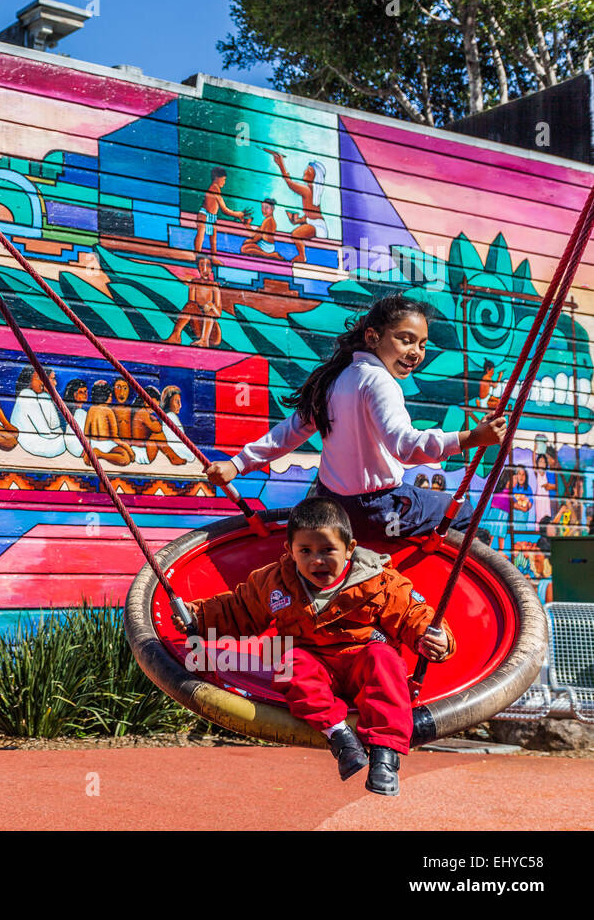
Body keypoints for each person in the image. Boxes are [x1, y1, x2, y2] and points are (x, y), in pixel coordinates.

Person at [178, 497, 454, 796]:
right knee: (288, 663)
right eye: (305, 551)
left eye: (327, 550)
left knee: (384, 659)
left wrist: (435, 638)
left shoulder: (380, 582)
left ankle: (385, 757)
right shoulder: (274, 582)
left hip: (361, 659)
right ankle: (340, 737)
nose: (316, 560)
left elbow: (415, 614)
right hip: (314, 662)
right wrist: (199, 617)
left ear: (349, 548)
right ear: (290, 551)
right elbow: (238, 610)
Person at [205, 296, 507, 542]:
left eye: (422, 344)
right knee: (466, 512)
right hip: (380, 511)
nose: (416, 352)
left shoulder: (336, 378)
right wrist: (472, 438)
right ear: (373, 337)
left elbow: (289, 432)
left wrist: (238, 463)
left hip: (334, 507)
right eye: (406, 340)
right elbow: (405, 447)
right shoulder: (380, 382)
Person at [264, 148, 326, 262]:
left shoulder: (307, 190)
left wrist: (281, 165)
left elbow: (290, 183)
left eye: (309, 171)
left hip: (317, 227)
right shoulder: (310, 190)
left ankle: (302, 256)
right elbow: (311, 215)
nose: (305, 172)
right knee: (297, 231)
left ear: (314, 176)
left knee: (296, 234)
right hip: (314, 223)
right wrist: (297, 221)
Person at [8, 366, 66, 459]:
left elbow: (55, 425)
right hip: (36, 444)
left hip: (51, 442)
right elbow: (45, 431)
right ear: (28, 380)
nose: (55, 383)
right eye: (38, 378)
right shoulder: (26, 395)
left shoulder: (43, 397)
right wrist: (56, 433)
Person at [193, 166, 252, 256]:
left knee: (213, 239)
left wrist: (238, 215)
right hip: (204, 215)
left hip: (212, 216)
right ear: (217, 178)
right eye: (223, 179)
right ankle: (196, 254)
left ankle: (213, 257)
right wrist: (238, 214)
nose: (224, 182)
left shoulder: (217, 189)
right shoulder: (214, 189)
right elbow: (224, 209)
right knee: (201, 235)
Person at [167, 255, 222, 348]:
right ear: (198, 268)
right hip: (197, 326)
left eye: (208, 265)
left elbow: (218, 313)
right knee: (191, 305)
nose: (205, 269)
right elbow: (190, 306)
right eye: (202, 265)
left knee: (210, 311)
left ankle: (204, 341)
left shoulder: (214, 286)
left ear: (211, 269)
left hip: (212, 333)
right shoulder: (194, 283)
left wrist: (212, 305)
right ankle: (176, 335)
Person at [131, 385, 187, 466]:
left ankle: (174, 457)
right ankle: (173, 458)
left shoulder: (144, 413)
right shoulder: (142, 413)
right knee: (157, 436)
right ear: (145, 401)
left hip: (141, 449)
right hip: (140, 453)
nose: (154, 409)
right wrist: (157, 421)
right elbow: (158, 428)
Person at [82, 380, 134, 466]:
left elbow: (86, 434)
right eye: (110, 396)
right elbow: (115, 438)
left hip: (94, 443)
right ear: (107, 397)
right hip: (107, 445)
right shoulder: (108, 411)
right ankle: (100, 454)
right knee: (125, 458)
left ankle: (95, 454)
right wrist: (129, 450)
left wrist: (86, 450)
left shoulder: (91, 410)